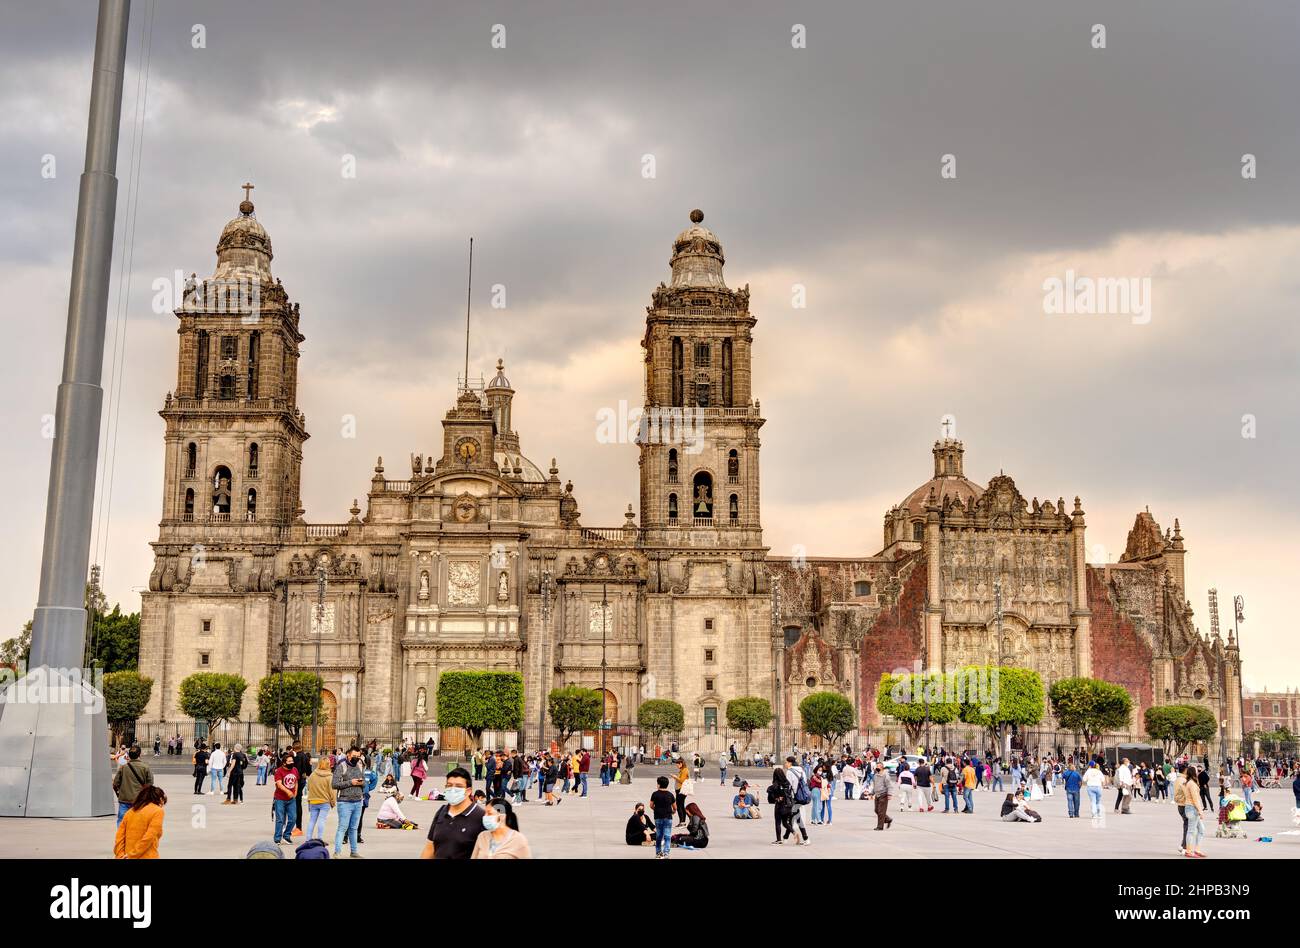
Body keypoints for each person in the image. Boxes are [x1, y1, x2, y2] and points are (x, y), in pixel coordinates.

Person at [421, 768, 485, 859]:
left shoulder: (480, 816)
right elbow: (430, 848)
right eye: (449, 785)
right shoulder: (442, 811)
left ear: (468, 791)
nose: (453, 789)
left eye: (458, 786)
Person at [114, 785, 166, 859]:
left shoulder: (130, 812)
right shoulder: (157, 811)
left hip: (125, 855)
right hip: (147, 856)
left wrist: (120, 855)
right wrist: (132, 854)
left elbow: (119, 836)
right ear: (160, 799)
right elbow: (149, 837)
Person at [331, 746, 366, 858]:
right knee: (342, 827)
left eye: (358, 756)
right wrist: (351, 782)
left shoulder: (360, 765)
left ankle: (354, 851)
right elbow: (334, 784)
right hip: (345, 802)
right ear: (348, 755)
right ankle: (337, 852)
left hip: (358, 801)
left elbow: (365, 782)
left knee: (354, 828)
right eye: (354, 756)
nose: (356, 758)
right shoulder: (341, 766)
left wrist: (362, 783)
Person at [112, 745, 153, 826]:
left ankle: (121, 834)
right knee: (139, 822)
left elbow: (115, 783)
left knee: (122, 821)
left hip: (124, 799)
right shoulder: (145, 768)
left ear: (129, 755)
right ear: (140, 755)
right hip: (140, 800)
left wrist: (119, 794)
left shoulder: (123, 768)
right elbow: (150, 784)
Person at [305, 755, 337, 839]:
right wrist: (333, 802)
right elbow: (332, 791)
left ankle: (308, 839)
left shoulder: (313, 774)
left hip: (313, 801)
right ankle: (320, 839)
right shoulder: (330, 777)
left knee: (312, 820)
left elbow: (308, 787)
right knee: (321, 820)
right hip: (324, 801)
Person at [272, 751, 300, 846]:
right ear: (284, 763)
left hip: (291, 799)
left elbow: (296, 781)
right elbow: (279, 784)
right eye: (289, 761)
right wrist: (288, 791)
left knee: (293, 818)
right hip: (280, 798)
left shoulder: (295, 770)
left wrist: (295, 792)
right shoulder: (279, 771)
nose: (292, 762)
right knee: (280, 819)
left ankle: (286, 835)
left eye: (292, 761)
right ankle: (277, 838)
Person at [781, 756, 811, 845]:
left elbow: (789, 786)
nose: (785, 764)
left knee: (796, 818)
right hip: (801, 796)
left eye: (786, 762)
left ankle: (806, 838)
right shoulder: (801, 770)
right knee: (793, 817)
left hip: (794, 797)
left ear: (790, 763)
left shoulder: (790, 772)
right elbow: (805, 782)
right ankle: (786, 837)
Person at [649, 776, 677, 859]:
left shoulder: (655, 794)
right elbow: (675, 807)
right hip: (668, 817)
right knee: (667, 836)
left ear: (659, 784)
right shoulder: (670, 795)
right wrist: (673, 811)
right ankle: (666, 853)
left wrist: (656, 809)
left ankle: (658, 853)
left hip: (658, 817)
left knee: (659, 836)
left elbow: (651, 805)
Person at [872, 763, 894, 830]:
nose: (877, 767)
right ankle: (888, 819)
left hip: (883, 794)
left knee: (881, 811)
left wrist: (889, 794)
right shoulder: (875, 775)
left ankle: (880, 826)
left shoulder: (885, 775)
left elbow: (889, 786)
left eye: (878, 766)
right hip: (877, 794)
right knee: (876, 810)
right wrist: (872, 793)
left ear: (882, 767)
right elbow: (875, 785)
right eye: (876, 766)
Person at [674, 758, 690, 825]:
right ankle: (683, 821)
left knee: (679, 806)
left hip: (681, 790)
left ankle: (682, 822)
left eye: (677, 765)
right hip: (680, 789)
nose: (676, 766)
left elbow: (682, 781)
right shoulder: (682, 770)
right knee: (681, 805)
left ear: (681, 764)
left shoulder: (684, 770)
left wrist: (675, 777)